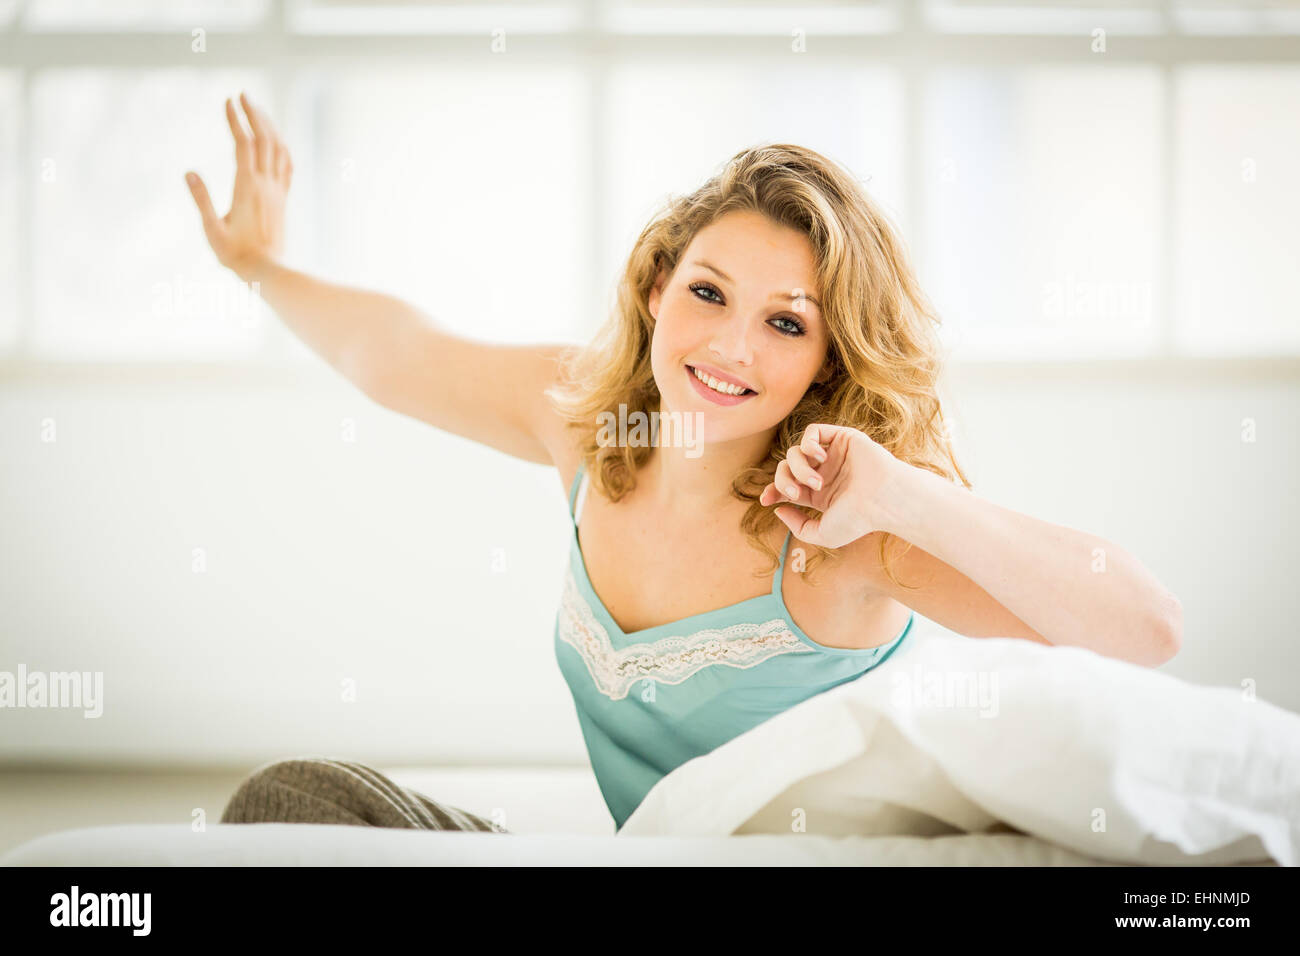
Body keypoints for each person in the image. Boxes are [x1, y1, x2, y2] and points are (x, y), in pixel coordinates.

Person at [189, 92, 1180, 833]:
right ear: (660, 286)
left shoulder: (846, 540)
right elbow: (396, 353)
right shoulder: (585, 420)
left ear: (827, 358)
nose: (729, 348)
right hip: (636, 862)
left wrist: (906, 493)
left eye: (785, 322)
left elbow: (1144, 629)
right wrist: (257, 266)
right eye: (709, 293)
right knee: (290, 802)